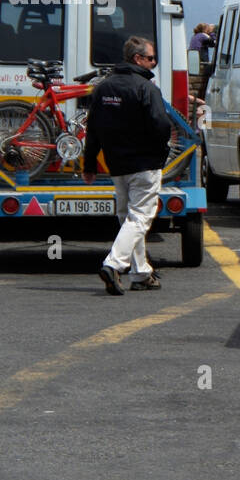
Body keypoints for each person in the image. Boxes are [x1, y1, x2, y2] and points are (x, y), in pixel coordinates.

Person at [82, 36, 174, 294]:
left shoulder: (103, 88)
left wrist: (90, 164)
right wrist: (161, 150)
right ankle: (113, 264)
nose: (154, 63)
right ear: (138, 59)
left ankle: (141, 273)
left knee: (128, 220)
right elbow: (162, 125)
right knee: (140, 218)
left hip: (117, 166)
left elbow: (93, 130)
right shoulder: (146, 88)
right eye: (151, 58)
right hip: (144, 164)